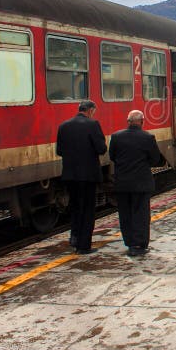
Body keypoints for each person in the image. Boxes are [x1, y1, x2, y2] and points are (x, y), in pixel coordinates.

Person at [55, 100, 107, 254]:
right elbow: (101, 149)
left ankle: (75, 238)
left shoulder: (64, 126)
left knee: (76, 207)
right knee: (88, 209)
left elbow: (59, 151)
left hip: (70, 175)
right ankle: (84, 246)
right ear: (91, 110)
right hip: (88, 175)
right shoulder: (93, 125)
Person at [109, 110, 163, 256]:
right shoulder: (148, 137)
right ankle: (140, 244)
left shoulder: (116, 137)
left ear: (128, 121)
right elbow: (155, 159)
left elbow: (112, 156)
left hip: (123, 183)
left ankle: (130, 242)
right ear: (142, 121)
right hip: (141, 183)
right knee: (141, 213)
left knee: (125, 214)